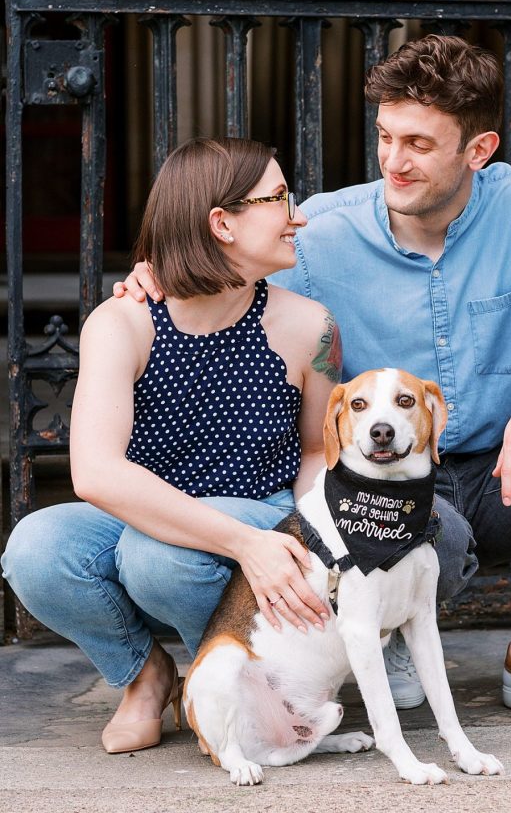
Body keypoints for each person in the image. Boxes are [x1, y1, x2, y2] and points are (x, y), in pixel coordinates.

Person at [115, 35, 511, 730]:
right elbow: (219, 273)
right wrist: (154, 280)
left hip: (510, 472)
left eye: (418, 143)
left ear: (478, 150)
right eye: (385, 136)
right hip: (388, 487)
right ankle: (387, 636)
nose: (393, 160)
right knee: (425, 523)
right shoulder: (321, 231)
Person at [1, 138, 341, 754]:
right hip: (158, 517)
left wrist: (313, 544)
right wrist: (244, 545)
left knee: (157, 557)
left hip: (260, 507)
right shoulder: (122, 321)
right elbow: (96, 475)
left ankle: (236, 676)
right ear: (222, 223)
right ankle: (146, 676)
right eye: (280, 198)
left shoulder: (313, 327)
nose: (298, 215)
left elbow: (319, 449)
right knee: (34, 549)